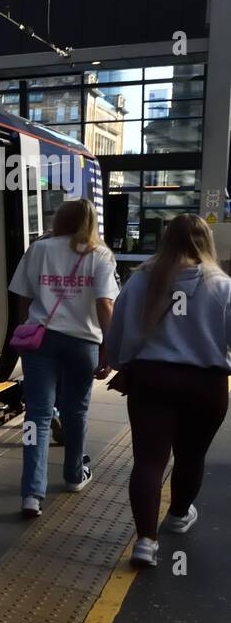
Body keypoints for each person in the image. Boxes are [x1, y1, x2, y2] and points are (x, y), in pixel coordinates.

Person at [101, 214, 231, 567]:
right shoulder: (221, 286)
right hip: (207, 384)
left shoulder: (141, 280)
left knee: (149, 460)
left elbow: (117, 334)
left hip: (152, 380)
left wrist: (120, 362)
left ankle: (145, 541)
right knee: (191, 456)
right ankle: (177, 515)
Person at [8, 198, 118, 518]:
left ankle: (31, 493)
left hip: (41, 340)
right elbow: (105, 306)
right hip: (83, 342)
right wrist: (109, 347)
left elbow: (23, 297)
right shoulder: (100, 255)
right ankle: (73, 474)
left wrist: (25, 329)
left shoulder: (39, 250)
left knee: (38, 416)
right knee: (76, 411)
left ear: (60, 219)